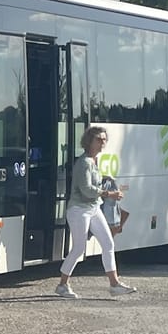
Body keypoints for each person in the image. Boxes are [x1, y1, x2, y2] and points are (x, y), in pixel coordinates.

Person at [55, 126, 137, 298]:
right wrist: (109, 193)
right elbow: (86, 189)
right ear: (89, 142)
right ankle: (63, 284)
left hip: (93, 208)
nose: (102, 143)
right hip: (79, 210)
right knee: (78, 248)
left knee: (108, 243)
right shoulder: (84, 162)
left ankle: (114, 284)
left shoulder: (93, 161)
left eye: (104, 140)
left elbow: (93, 186)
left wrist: (105, 181)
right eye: (99, 140)